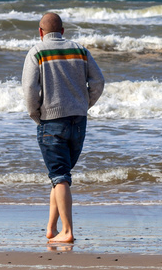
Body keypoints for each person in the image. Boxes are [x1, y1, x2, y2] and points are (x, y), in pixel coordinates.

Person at [22, 12, 104, 243]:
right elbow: (98, 82)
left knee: (60, 177)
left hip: (52, 120)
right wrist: (84, 103)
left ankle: (67, 231)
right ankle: (51, 228)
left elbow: (29, 89)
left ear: (40, 32)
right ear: (62, 32)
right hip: (78, 120)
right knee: (60, 176)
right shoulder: (79, 50)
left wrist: (35, 114)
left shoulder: (37, 51)